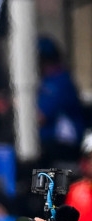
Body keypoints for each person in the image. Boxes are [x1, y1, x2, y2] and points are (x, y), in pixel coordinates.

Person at [36, 37, 85, 166]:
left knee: (42, 172)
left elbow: (40, 117)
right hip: (46, 145)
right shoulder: (44, 81)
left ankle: (54, 181)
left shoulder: (59, 82)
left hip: (62, 145)